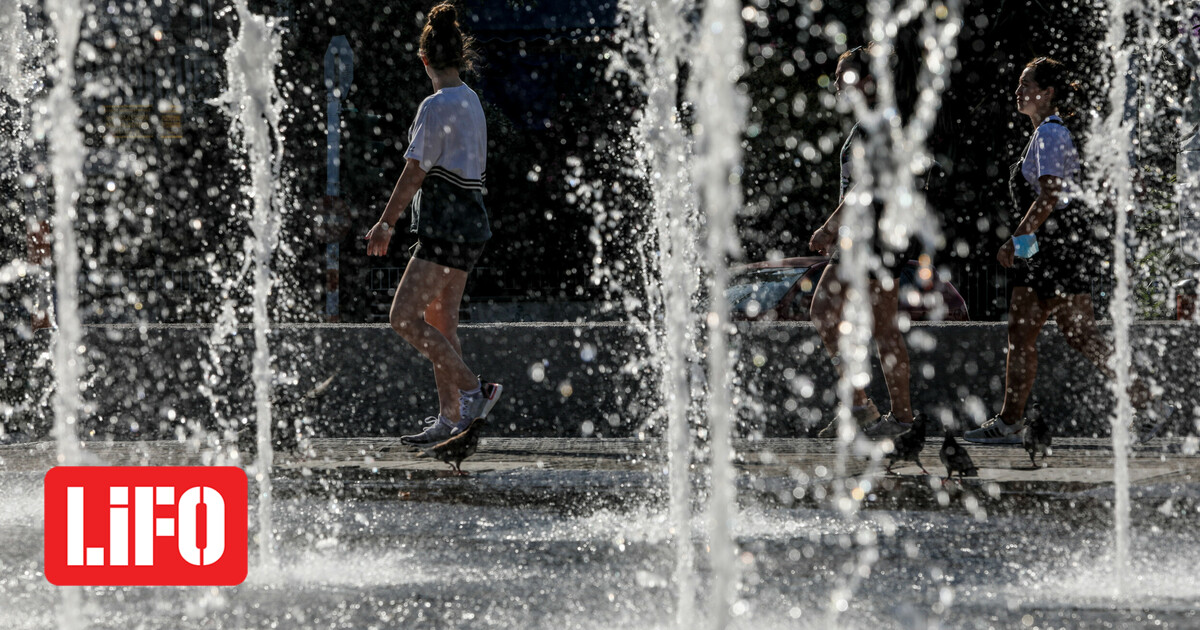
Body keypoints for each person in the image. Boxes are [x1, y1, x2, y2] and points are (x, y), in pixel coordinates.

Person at [964, 57, 1157, 444]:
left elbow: (1050, 195)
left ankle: (1010, 421)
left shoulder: (1051, 134)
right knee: (1073, 335)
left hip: (1051, 246)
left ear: (1047, 92)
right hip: (1054, 246)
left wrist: (1018, 241)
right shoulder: (1044, 134)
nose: (1018, 91)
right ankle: (1147, 403)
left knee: (1030, 336)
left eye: (1026, 84)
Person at [365, 2, 502, 445]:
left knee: (403, 318)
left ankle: (474, 390)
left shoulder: (436, 104)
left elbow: (414, 170)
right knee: (442, 325)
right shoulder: (473, 102)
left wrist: (386, 222)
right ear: (459, 57)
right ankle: (451, 420)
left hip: (443, 229)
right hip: (470, 228)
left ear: (424, 60)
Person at [809, 43, 935, 439]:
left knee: (826, 308)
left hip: (873, 237)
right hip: (872, 236)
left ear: (865, 80)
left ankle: (871, 409)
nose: (836, 85)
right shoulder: (872, 122)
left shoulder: (879, 122)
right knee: (881, 327)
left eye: (843, 75)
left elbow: (865, 186)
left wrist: (830, 227)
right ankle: (893, 416)